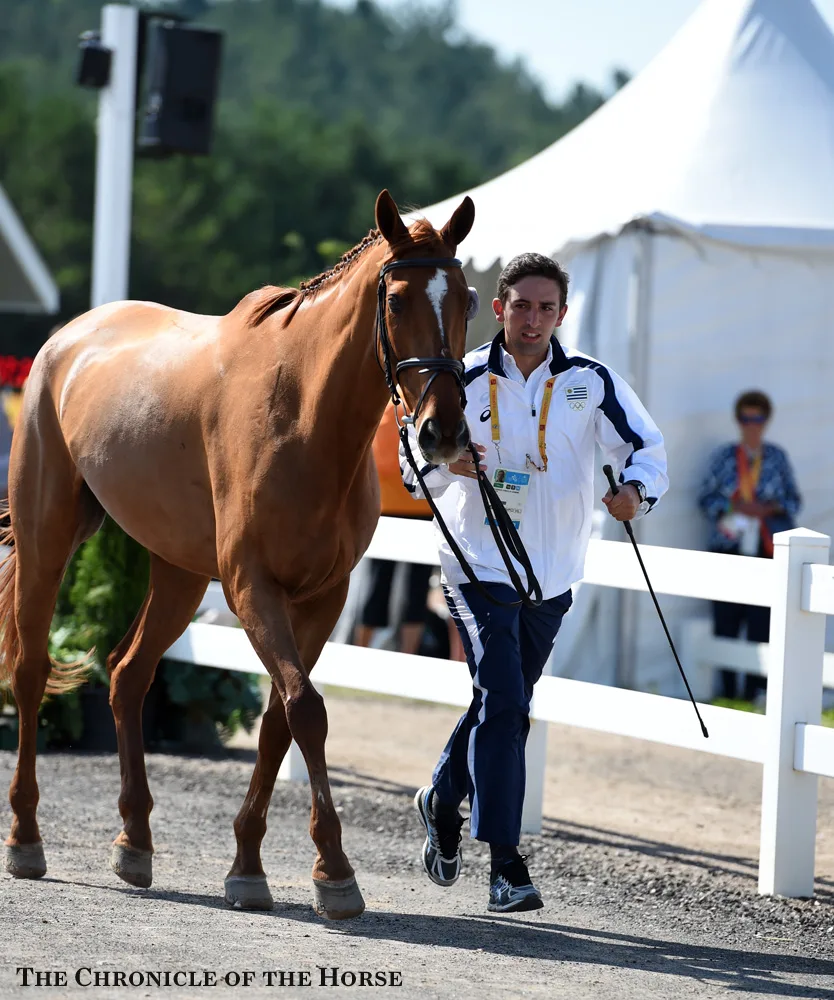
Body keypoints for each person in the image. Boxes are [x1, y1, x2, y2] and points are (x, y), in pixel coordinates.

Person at [401, 252, 668, 913]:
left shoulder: (590, 381)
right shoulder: (457, 376)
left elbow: (646, 449)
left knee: (506, 704)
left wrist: (636, 491)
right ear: (499, 308)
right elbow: (415, 467)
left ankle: (441, 797)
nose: (534, 319)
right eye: (521, 305)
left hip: (552, 576)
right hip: (476, 565)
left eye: (547, 308)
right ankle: (506, 864)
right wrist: (451, 465)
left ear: (562, 314)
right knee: (506, 703)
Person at [697, 390, 801, 702]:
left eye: (757, 418)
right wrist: (737, 508)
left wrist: (766, 508)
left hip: (765, 549)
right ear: (738, 420)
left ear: (766, 421)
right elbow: (704, 499)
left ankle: (754, 692)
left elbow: (794, 500)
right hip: (728, 546)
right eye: (746, 418)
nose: (751, 424)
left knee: (761, 624)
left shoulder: (777, 458)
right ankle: (728, 692)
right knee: (726, 621)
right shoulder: (725, 457)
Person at [353, 400, 433, 656]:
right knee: (412, 588)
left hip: (389, 505)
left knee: (381, 584)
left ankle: (361, 653)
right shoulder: (425, 402)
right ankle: (402, 655)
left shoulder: (389, 404)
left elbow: (379, 461)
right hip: (419, 505)